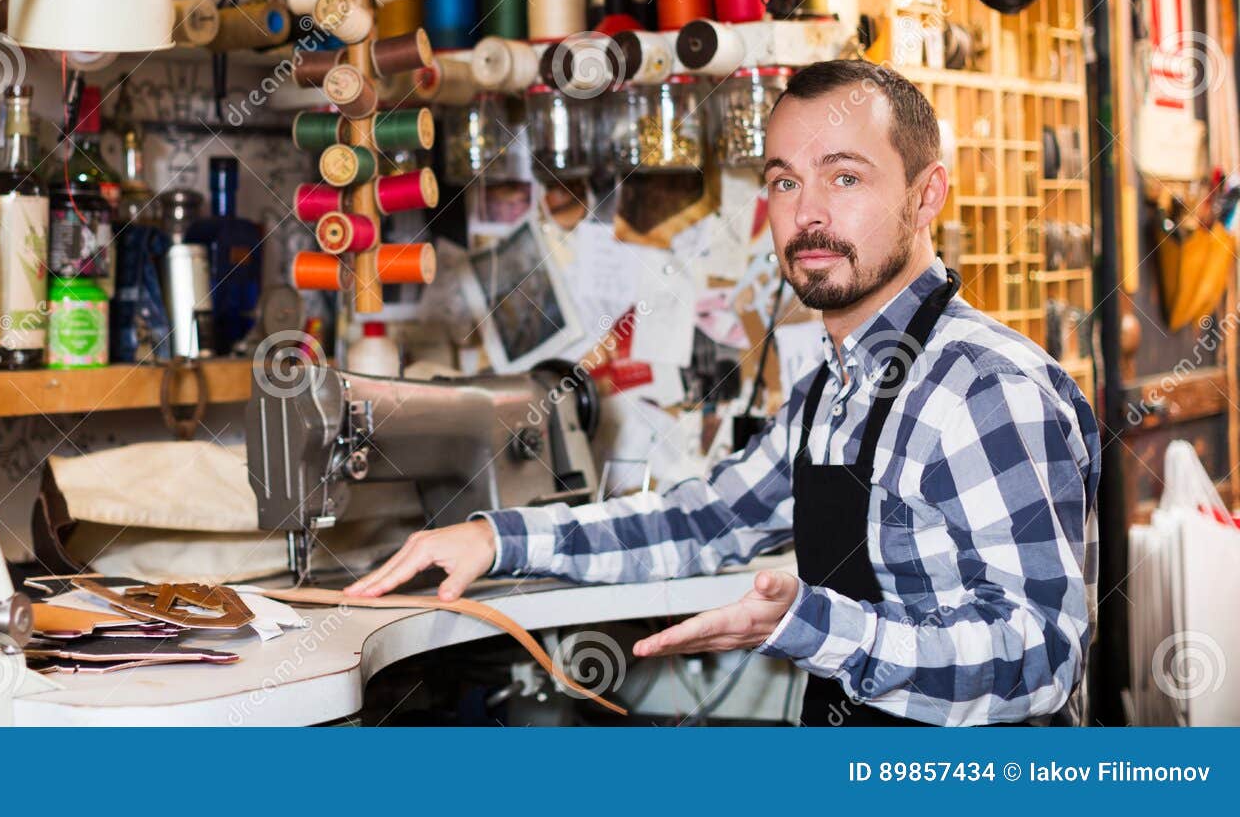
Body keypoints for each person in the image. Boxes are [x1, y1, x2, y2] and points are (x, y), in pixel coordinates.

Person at [346, 59, 1100, 726]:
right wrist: (498, 537)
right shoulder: (831, 391)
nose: (807, 213)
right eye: (783, 180)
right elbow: (701, 519)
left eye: (845, 176)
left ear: (926, 193)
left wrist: (812, 623)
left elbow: (1040, 656)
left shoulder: (984, 386)